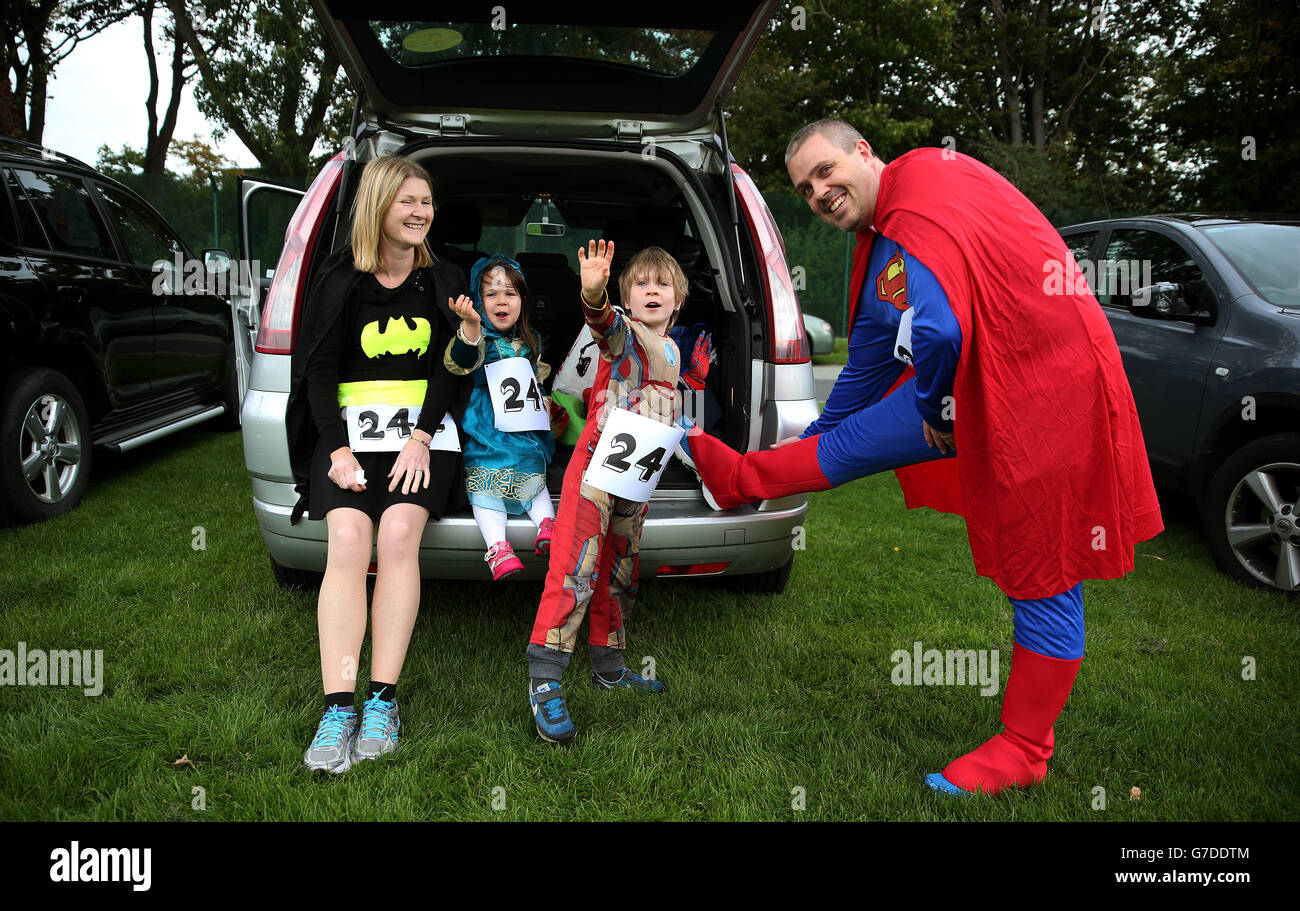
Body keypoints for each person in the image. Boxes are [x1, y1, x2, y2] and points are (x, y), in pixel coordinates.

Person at [680, 119, 1164, 795]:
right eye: (804, 188)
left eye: (826, 171)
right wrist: (817, 435)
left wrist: (937, 408)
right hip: (985, 372)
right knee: (849, 444)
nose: (818, 192)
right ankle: (741, 478)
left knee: (1043, 562)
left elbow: (937, 329)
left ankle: (1026, 746)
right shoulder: (882, 240)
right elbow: (870, 364)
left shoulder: (918, 194)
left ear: (864, 153)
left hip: (1037, 381)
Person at [284, 155, 470, 772]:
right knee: (346, 536)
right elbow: (318, 369)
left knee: (396, 534)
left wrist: (421, 434)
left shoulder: (447, 278)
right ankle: (339, 705)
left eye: (427, 202)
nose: (422, 213)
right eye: (408, 202)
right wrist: (335, 450)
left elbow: (454, 369)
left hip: (423, 435)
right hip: (348, 437)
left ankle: (383, 700)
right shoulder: (340, 279)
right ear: (379, 207)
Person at [525, 241, 704, 743]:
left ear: (678, 298)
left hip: (636, 475)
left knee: (622, 567)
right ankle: (545, 679)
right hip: (596, 472)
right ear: (627, 294)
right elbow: (603, 322)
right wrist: (594, 292)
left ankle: (608, 664)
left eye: (662, 284)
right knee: (576, 567)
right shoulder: (623, 334)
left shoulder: (671, 346)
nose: (652, 290)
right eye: (641, 283)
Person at [445, 254, 557, 580]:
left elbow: (535, 380)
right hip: (485, 425)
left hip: (522, 425)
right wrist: (469, 326)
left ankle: (548, 525)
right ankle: (497, 547)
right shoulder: (476, 338)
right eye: (491, 294)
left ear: (523, 299)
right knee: (484, 473)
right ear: (477, 301)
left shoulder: (528, 341)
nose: (501, 301)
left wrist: (546, 402)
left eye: (510, 293)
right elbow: (459, 360)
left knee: (532, 467)